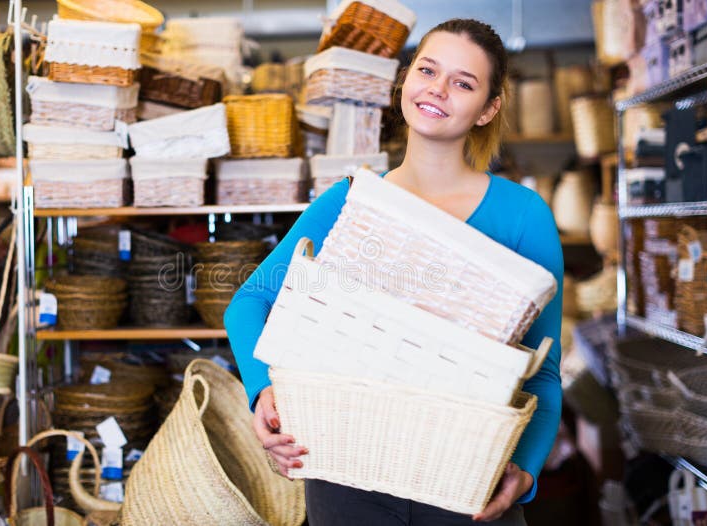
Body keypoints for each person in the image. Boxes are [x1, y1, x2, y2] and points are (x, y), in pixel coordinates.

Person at [225, 18, 563, 525]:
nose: (438, 89)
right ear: (405, 80)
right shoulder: (350, 198)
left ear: (488, 109)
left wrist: (527, 470)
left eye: (463, 83)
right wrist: (262, 391)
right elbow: (249, 303)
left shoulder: (522, 214)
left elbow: (545, 372)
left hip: (467, 482)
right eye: (428, 70)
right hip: (346, 476)